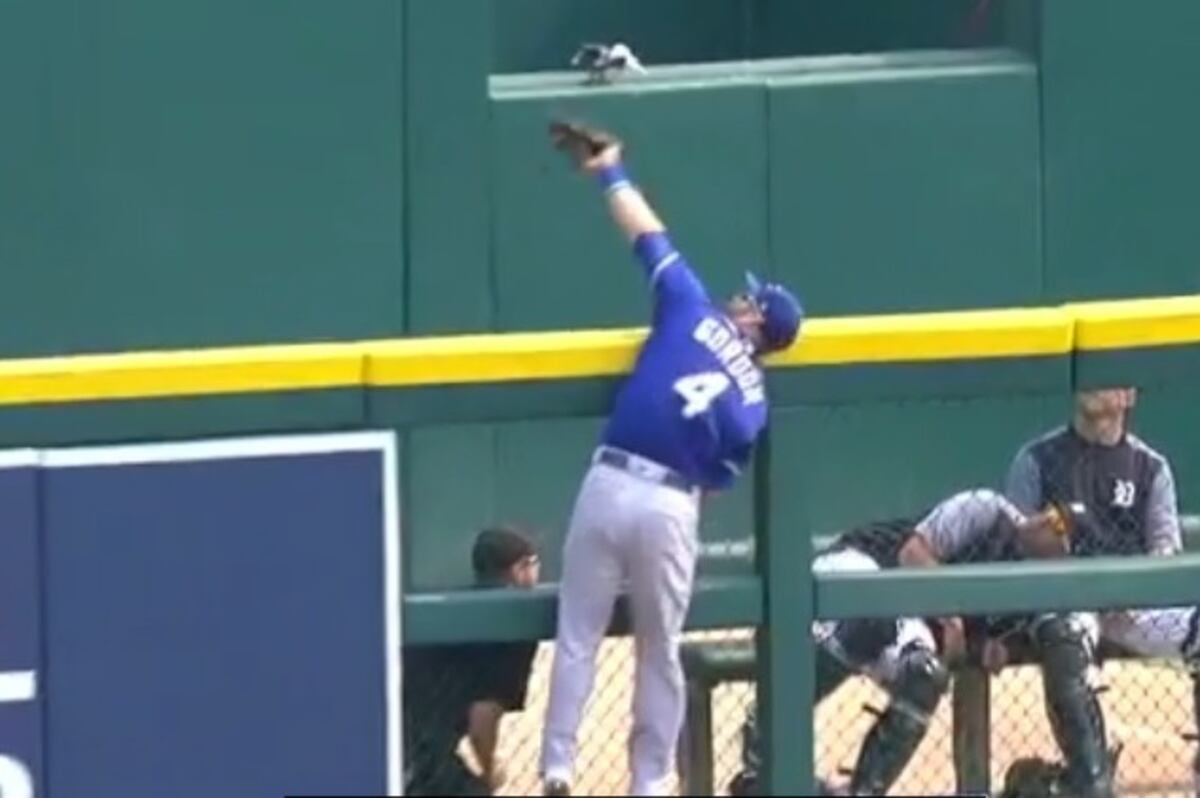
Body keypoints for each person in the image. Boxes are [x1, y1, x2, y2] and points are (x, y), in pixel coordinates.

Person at [538, 123, 804, 797]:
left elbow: (644, 232)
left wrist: (610, 169)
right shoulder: (755, 405)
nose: (738, 299)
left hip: (611, 477)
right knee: (661, 653)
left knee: (578, 635)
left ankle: (558, 766)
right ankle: (650, 782)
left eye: (747, 300)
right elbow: (713, 485)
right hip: (671, 502)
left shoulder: (689, 304)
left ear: (754, 322)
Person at [729, 488, 1078, 796]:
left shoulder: (1031, 600)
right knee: (871, 616)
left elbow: (975, 648)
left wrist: (985, 648)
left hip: (907, 619)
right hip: (863, 565)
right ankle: (763, 739)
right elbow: (911, 554)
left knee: (925, 674)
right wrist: (950, 611)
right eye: (1050, 513)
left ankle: (864, 790)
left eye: (1059, 528)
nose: (1045, 523)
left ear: (1066, 555)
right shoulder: (989, 511)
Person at [1005, 386, 1189, 796]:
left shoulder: (1150, 467)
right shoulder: (1037, 459)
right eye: (1088, 375)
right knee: (1065, 634)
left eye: (1109, 378)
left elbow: (1166, 553)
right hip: (1064, 603)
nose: (1096, 384)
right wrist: (1043, 542)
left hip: (1131, 605)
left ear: (1129, 396)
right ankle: (1091, 778)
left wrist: (1135, 586)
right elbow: (1010, 545)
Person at [403, 526, 542, 796]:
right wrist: (489, 772)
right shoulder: (515, 624)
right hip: (421, 756)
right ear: (520, 570)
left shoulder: (455, 606)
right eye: (534, 563)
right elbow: (482, 719)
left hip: (392, 740)